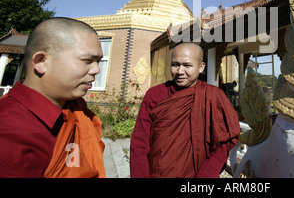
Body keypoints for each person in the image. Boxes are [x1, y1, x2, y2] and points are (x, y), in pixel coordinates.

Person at [0, 17, 106, 177]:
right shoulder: (11, 132)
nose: (96, 70)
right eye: (88, 60)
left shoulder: (75, 110)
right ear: (41, 61)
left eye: (98, 61)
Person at [130, 42, 240, 178]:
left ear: (201, 67)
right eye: (175, 65)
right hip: (158, 173)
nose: (180, 71)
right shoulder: (155, 95)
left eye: (187, 65)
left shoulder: (213, 96)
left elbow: (224, 142)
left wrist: (206, 175)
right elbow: (139, 143)